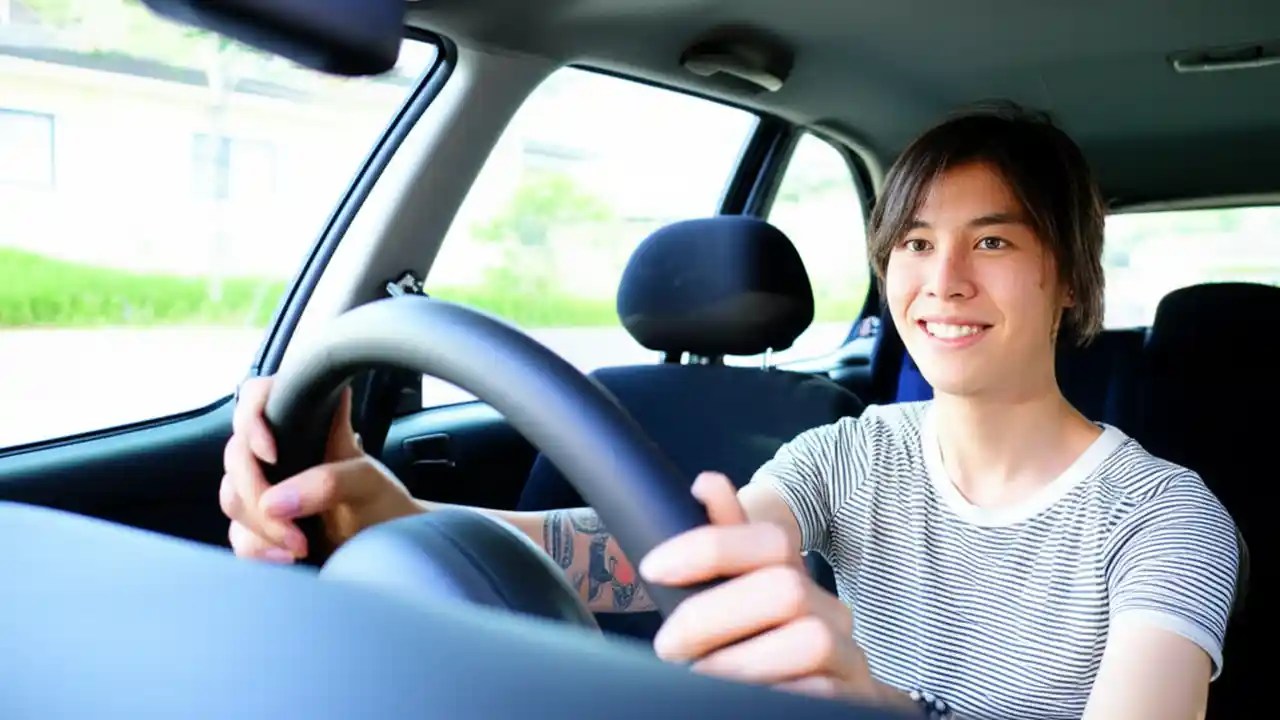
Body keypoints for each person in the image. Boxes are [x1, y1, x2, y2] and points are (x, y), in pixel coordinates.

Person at [220, 103, 1239, 720]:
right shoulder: (849, 454)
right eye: (916, 243)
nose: (942, 281)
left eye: (994, 243)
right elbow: (653, 554)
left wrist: (881, 709)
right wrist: (400, 519)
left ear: (1069, 281)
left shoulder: (1163, 518)